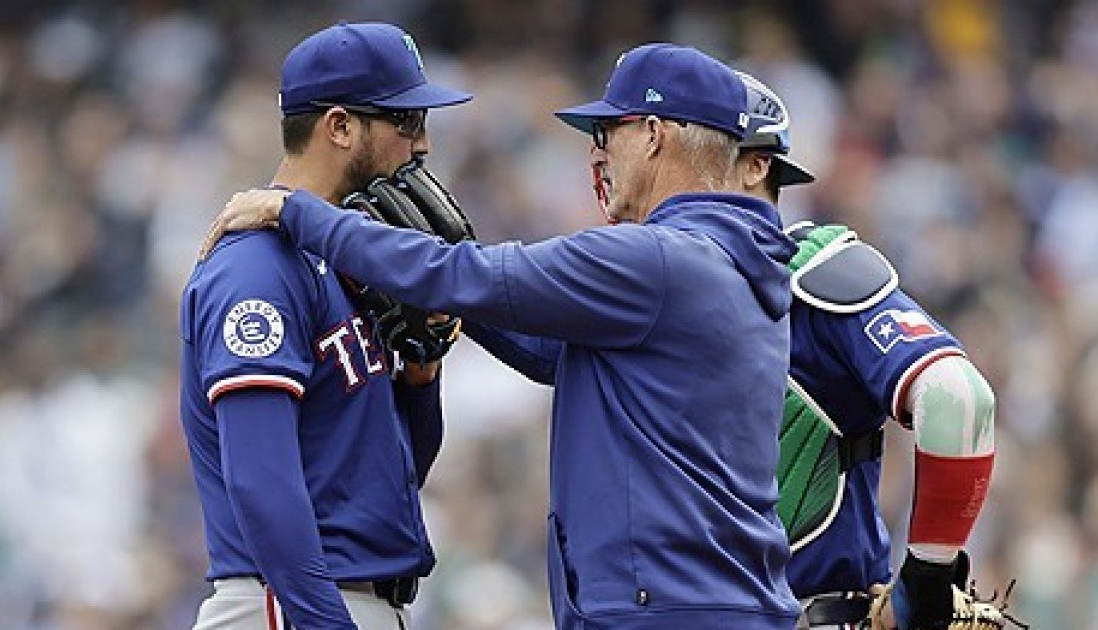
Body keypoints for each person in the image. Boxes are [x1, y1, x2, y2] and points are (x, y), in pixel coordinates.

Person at [202, 43, 802, 630]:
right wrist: (430, 351)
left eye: (606, 132)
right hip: (718, 598)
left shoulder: (663, 260)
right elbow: (548, 353)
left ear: (651, 134)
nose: (598, 154)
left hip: (669, 608)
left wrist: (300, 213)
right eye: (407, 119)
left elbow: (476, 278)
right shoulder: (732, 261)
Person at [179, 21, 471, 630]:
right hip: (282, 607)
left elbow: (392, 477)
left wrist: (421, 377)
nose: (423, 145)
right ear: (339, 126)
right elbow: (261, 483)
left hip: (348, 601)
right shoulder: (257, 266)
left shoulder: (350, 261)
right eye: (406, 122)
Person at [730, 71, 997, 629]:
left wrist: (926, 582)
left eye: (632, 134)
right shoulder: (634, 295)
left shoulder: (811, 277)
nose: (607, 157)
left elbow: (958, 400)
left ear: (751, 167)